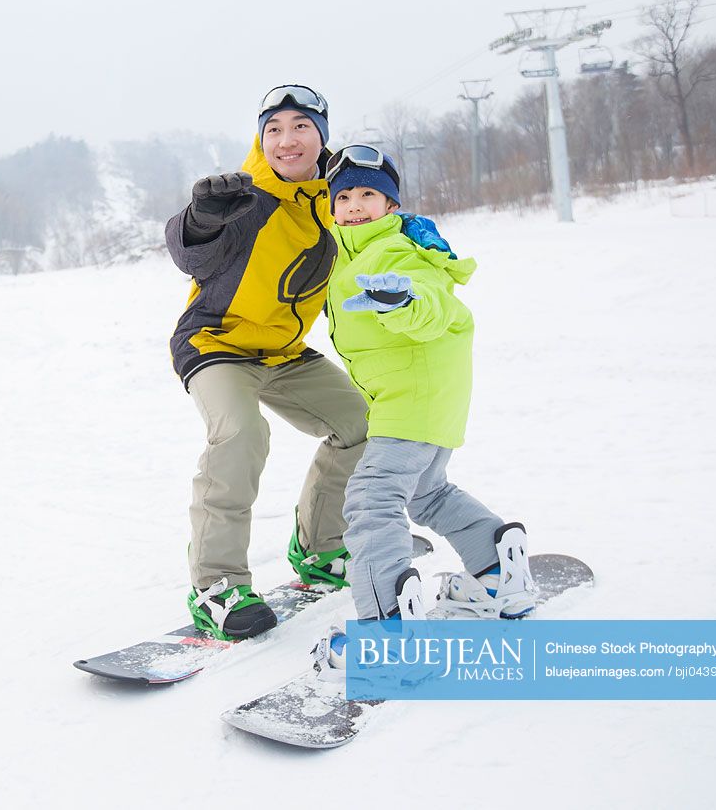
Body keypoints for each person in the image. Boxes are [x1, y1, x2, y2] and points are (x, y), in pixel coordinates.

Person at [165, 86, 449, 641]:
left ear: (321, 136)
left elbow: (373, 234)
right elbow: (190, 252)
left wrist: (415, 238)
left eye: (300, 126)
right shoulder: (244, 197)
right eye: (274, 129)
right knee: (242, 434)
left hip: (287, 352)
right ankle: (215, 585)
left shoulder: (333, 200)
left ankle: (321, 548)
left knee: (362, 426)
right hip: (216, 344)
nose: (286, 139)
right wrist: (200, 219)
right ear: (260, 138)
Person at [314, 144, 536, 629]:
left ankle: (386, 623)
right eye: (343, 195)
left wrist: (403, 301)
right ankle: (499, 570)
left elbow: (432, 305)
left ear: (390, 205)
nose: (353, 206)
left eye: (368, 195)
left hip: (411, 398)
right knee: (426, 494)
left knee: (372, 500)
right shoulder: (344, 255)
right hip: (423, 398)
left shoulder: (394, 250)